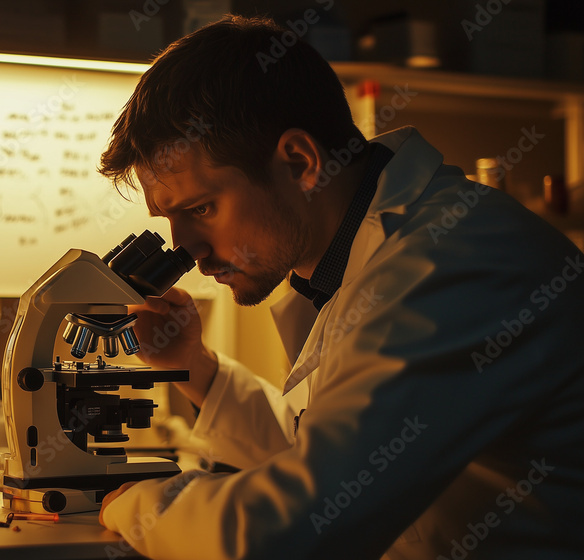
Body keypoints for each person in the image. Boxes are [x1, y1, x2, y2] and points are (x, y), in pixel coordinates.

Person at [95, 14, 584, 560]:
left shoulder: (448, 263)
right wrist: (200, 370)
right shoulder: (352, 260)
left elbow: (296, 529)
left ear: (300, 163)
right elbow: (337, 459)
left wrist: (135, 503)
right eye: (169, 219)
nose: (190, 250)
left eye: (202, 208)